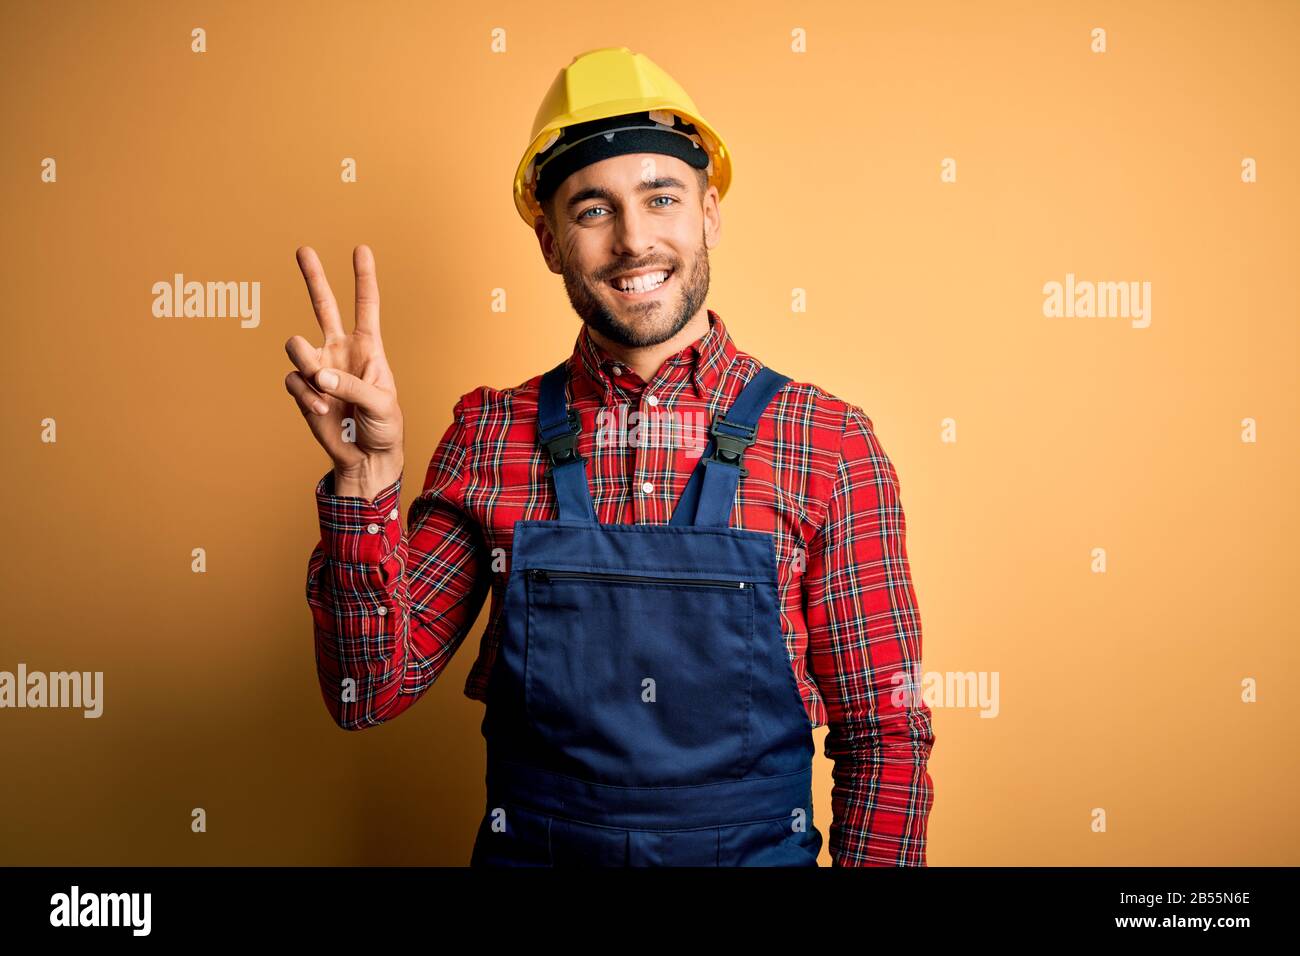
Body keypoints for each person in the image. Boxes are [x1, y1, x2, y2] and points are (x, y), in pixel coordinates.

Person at [284, 46, 935, 867]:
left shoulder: (825, 441)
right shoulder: (492, 433)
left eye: (661, 197)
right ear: (551, 242)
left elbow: (886, 735)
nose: (633, 240)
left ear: (710, 214)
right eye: (592, 209)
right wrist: (362, 480)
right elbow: (366, 692)